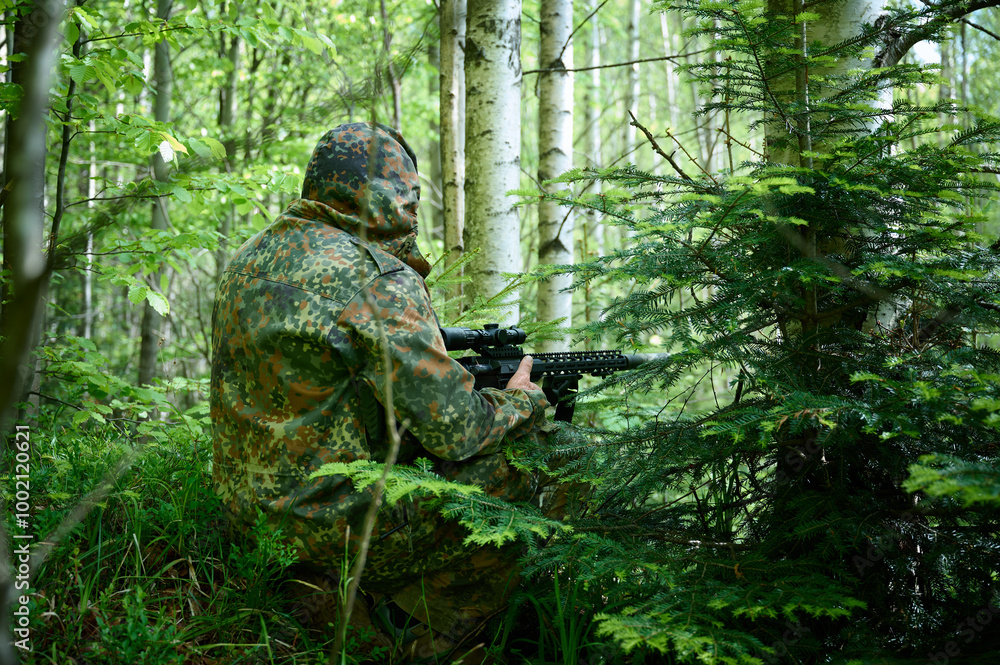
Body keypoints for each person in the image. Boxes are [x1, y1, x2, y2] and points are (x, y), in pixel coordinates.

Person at [210, 122, 558, 663]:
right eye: (408, 195)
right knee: (542, 458)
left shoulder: (249, 260)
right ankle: (430, 637)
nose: (416, 210)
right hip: (335, 529)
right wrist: (525, 400)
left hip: (245, 519)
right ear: (373, 196)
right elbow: (458, 432)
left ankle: (361, 608)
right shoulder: (376, 275)